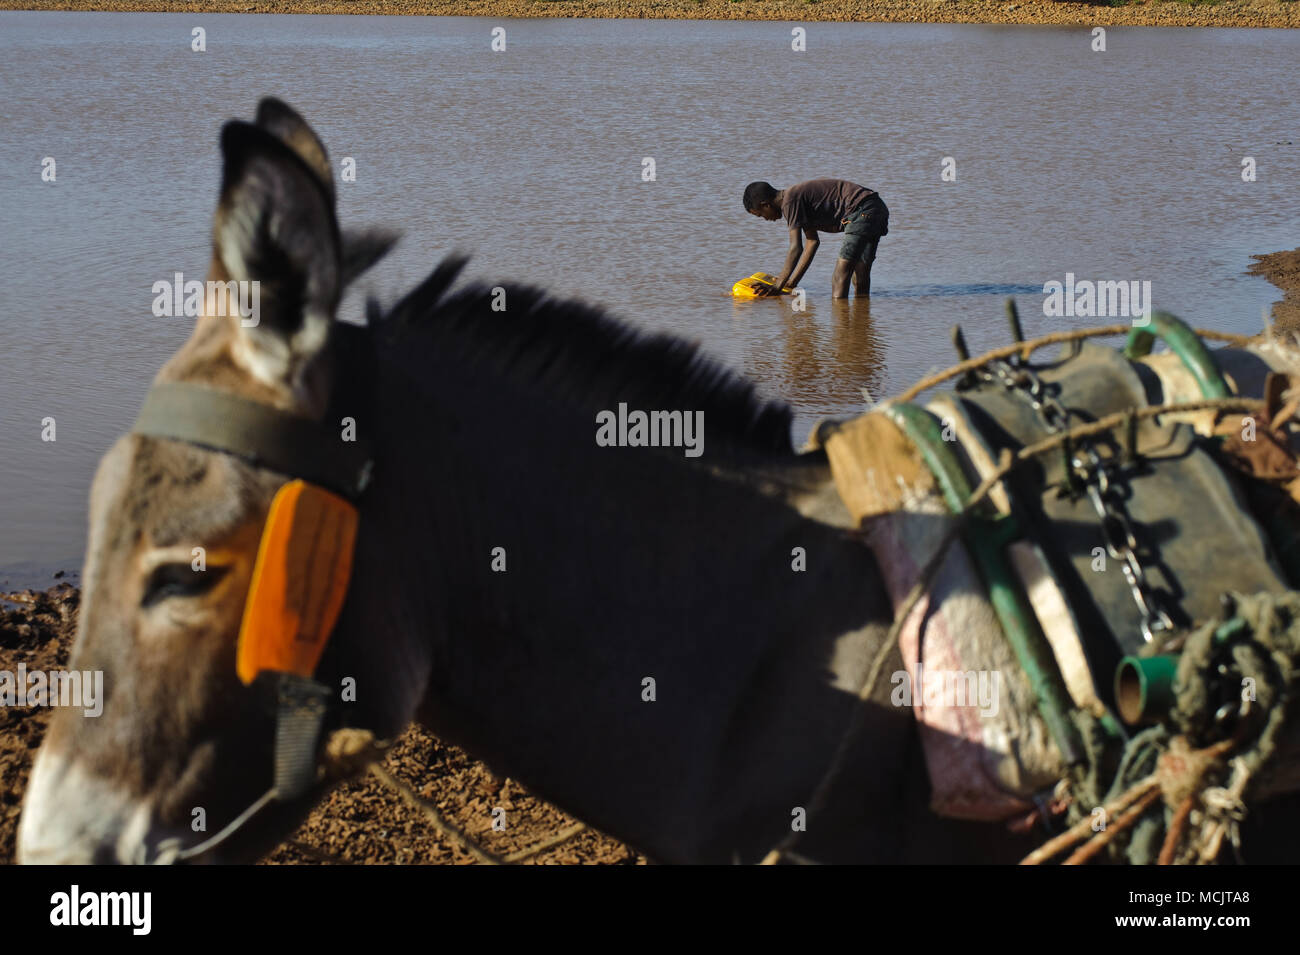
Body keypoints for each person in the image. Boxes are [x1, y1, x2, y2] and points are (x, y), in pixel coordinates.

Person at [743, 178, 889, 298]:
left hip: (862, 211)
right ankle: (860, 322)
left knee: (840, 273)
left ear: (766, 205)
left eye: (760, 215)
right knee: (861, 271)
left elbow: (796, 248)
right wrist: (791, 282)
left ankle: (841, 328)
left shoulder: (790, 202)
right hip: (876, 207)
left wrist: (777, 285)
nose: (765, 219)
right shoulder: (797, 200)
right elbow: (812, 242)